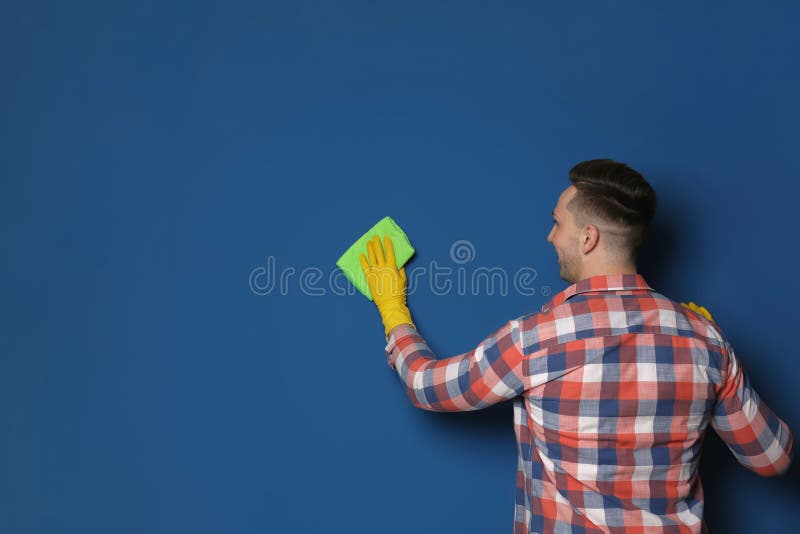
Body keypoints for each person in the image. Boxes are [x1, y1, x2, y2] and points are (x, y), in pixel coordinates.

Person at [359, 159, 794, 533]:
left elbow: (426, 386)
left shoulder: (538, 338)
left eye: (557, 223)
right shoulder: (704, 339)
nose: (550, 237)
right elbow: (772, 457)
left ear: (588, 238)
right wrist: (710, 347)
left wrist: (392, 307)